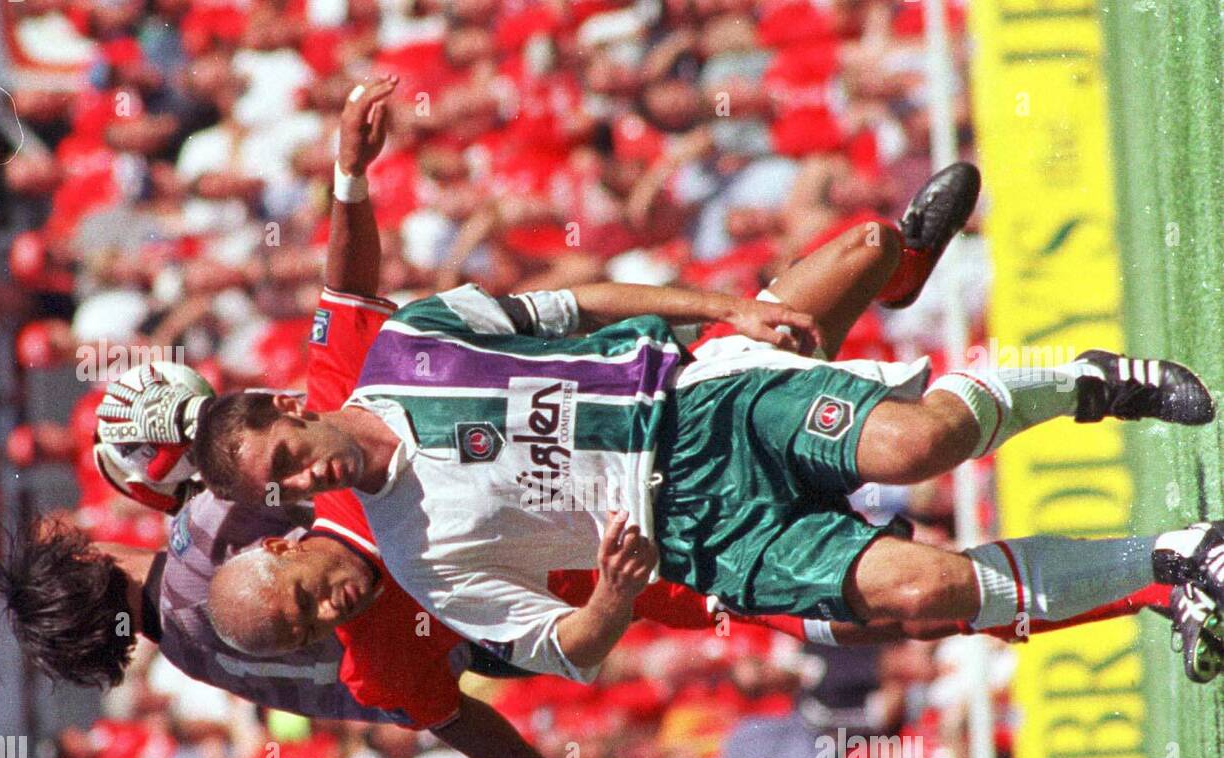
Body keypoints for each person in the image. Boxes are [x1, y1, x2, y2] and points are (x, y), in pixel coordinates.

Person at [185, 164, 1219, 686]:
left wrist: (718, 308)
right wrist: (617, 597)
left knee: (912, 441)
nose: (327, 610)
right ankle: (1170, 562)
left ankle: (1084, 380)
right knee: (920, 593)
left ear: (289, 408)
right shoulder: (417, 563)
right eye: (312, 631)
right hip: (699, 543)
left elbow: (576, 303)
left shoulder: (407, 342)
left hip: (695, 407)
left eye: (285, 464)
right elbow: (563, 649)